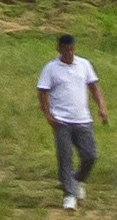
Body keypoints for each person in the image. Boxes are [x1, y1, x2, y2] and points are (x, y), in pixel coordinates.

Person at [36, 33, 102, 209]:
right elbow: (42, 92)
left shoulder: (84, 65)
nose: (69, 53)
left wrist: (102, 107)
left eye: (71, 50)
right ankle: (69, 194)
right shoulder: (51, 68)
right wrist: (48, 115)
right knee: (65, 157)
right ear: (59, 49)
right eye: (65, 50)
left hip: (82, 119)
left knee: (90, 155)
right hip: (61, 120)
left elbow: (94, 87)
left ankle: (77, 179)